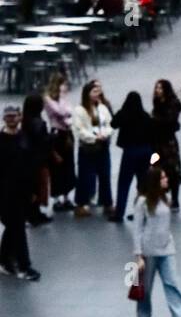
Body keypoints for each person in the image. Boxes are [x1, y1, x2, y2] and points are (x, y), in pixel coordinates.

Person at [132, 165, 181, 317]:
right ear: (155, 181)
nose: (166, 180)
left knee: (172, 283)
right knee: (145, 288)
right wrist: (138, 256)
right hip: (148, 251)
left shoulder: (164, 199)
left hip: (167, 249)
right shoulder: (142, 202)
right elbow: (137, 229)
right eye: (162, 178)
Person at [0, 105, 40, 280]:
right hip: (5, 193)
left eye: (14, 116)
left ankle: (4, 260)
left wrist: (34, 189)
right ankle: (25, 266)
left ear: (19, 117)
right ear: (4, 119)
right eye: (8, 116)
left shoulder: (24, 137)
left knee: (13, 227)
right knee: (17, 228)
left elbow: (31, 165)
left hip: (23, 191)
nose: (11, 119)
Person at [72, 78, 114, 217]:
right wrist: (93, 137)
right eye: (94, 92)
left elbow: (110, 124)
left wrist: (105, 134)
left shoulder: (102, 108)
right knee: (85, 176)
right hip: (88, 148)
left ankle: (107, 202)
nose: (97, 94)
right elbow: (79, 130)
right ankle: (81, 204)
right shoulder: (79, 110)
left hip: (102, 146)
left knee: (105, 175)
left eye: (98, 91)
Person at [110, 90, 154, 222]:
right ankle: (142, 212)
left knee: (124, 183)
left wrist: (121, 110)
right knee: (143, 183)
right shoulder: (145, 116)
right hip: (145, 151)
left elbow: (113, 123)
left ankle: (119, 213)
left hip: (130, 151)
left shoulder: (124, 114)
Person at [43, 72, 76, 211]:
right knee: (56, 167)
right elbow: (61, 112)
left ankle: (67, 196)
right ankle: (56, 198)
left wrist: (67, 114)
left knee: (68, 165)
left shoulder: (64, 99)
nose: (66, 88)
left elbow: (71, 113)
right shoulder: (48, 98)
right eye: (64, 85)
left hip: (67, 133)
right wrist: (62, 98)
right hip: (56, 135)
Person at [21, 94, 54, 226]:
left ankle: (32, 212)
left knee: (32, 187)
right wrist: (52, 137)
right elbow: (43, 141)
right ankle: (34, 214)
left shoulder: (25, 121)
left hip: (28, 159)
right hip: (39, 160)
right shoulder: (39, 123)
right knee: (39, 186)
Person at [151, 78, 181, 210]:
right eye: (156, 88)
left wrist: (155, 122)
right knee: (157, 168)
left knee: (172, 170)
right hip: (157, 142)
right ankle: (159, 197)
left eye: (160, 88)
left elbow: (170, 121)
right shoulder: (157, 102)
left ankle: (175, 199)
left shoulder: (172, 104)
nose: (157, 90)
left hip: (168, 142)